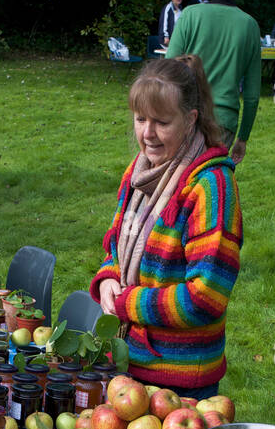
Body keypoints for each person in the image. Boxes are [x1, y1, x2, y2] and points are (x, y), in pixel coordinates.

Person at [89, 54, 242, 398]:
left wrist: (126, 303)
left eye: (161, 122)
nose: (147, 133)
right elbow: (115, 242)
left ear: (190, 120)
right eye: (140, 118)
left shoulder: (211, 187)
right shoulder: (139, 171)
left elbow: (205, 298)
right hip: (127, 365)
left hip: (181, 382)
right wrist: (109, 277)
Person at [165, 0, 261, 164]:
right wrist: (243, 138)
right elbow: (252, 94)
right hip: (224, 122)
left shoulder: (190, 15)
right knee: (211, 188)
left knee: (179, 184)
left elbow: (168, 68)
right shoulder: (249, 26)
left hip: (186, 115)